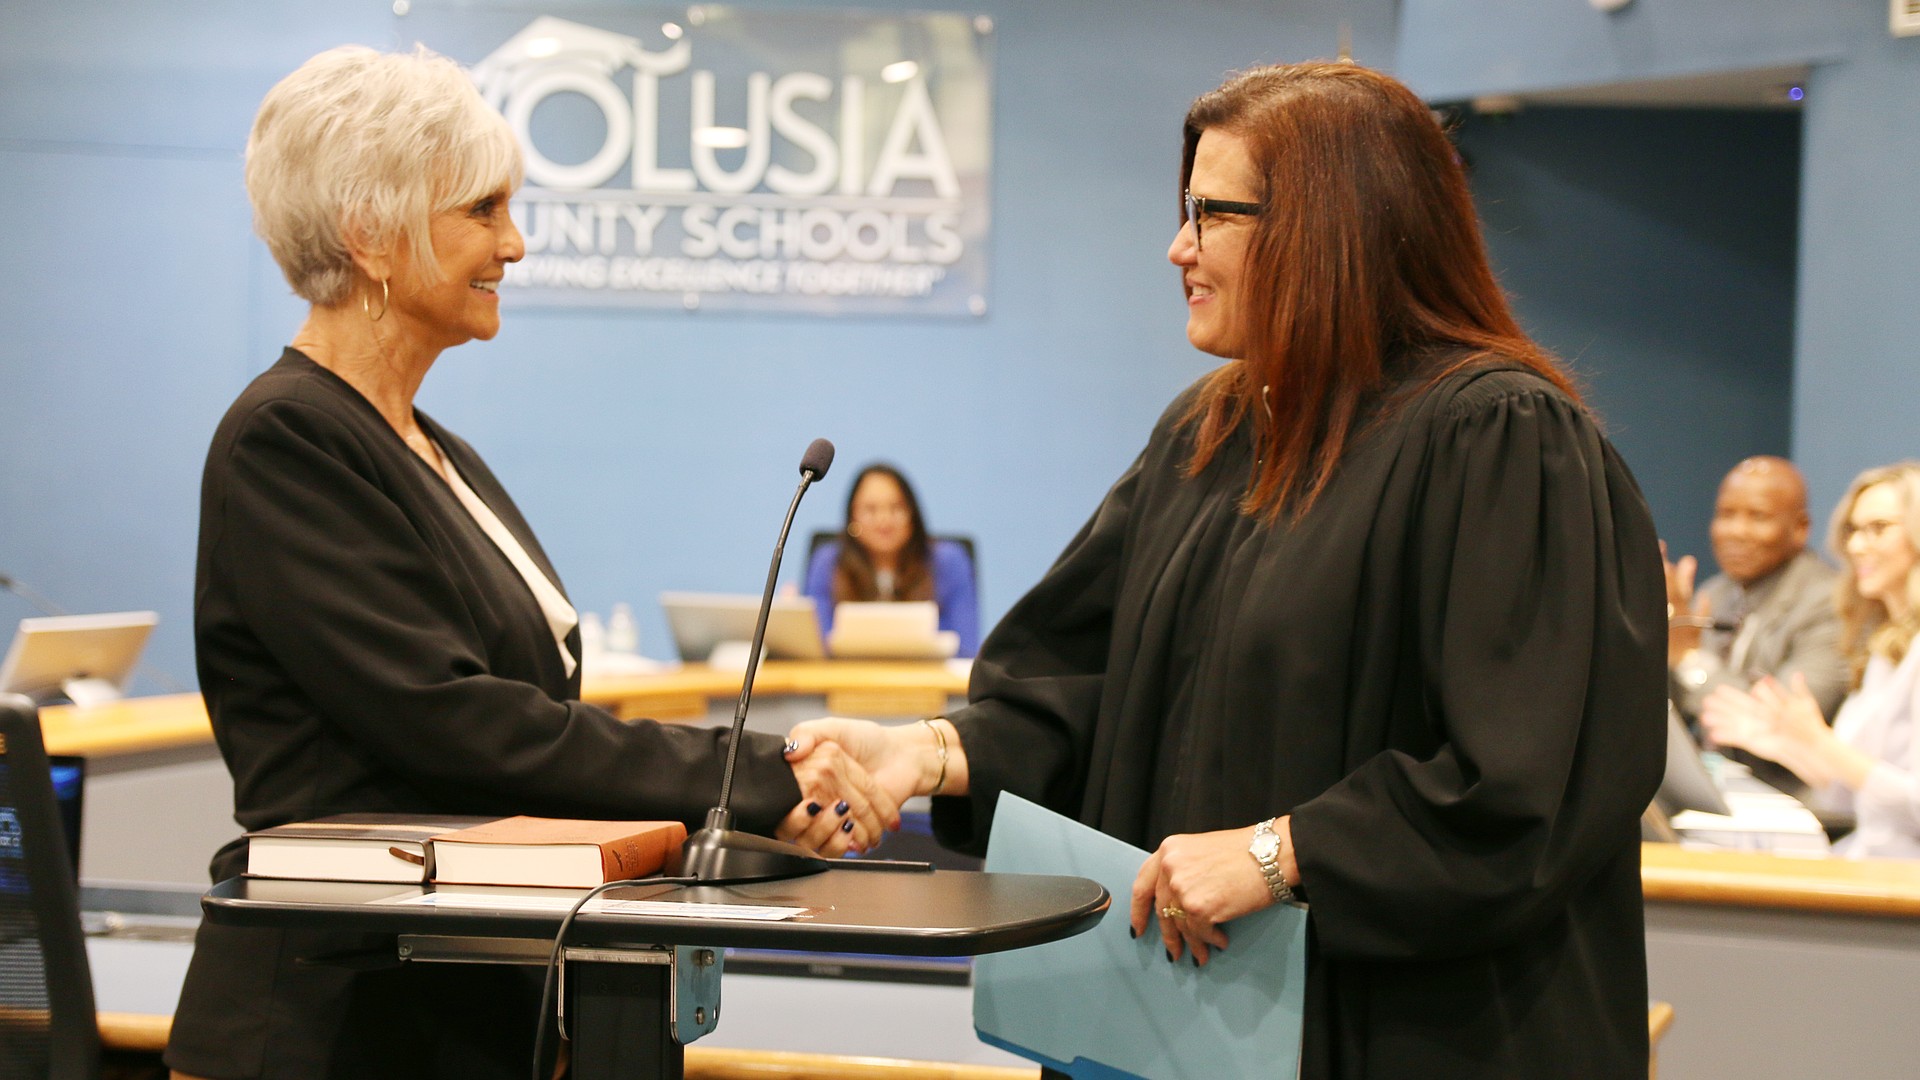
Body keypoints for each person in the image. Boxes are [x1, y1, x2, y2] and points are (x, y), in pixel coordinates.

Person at [788, 62, 1666, 1079]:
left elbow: (1529, 782)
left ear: (1331, 227)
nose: (1178, 248)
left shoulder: (1499, 436)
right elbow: (1093, 687)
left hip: (1412, 1037)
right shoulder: (1211, 431)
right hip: (1185, 1034)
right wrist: (925, 755)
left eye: (1211, 214)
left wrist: (1279, 856)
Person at [165, 46, 894, 1080]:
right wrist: (754, 772)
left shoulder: (433, 451)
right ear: (371, 235)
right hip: (327, 1027)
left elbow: (514, 738)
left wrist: (741, 812)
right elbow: (457, 725)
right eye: (482, 209)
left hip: (460, 1011)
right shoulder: (287, 441)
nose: (516, 241)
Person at [1702, 462, 1920, 859]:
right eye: (1854, 530)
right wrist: (1782, 743)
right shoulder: (1886, 649)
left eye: (1879, 528)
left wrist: (1820, 742)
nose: (1856, 546)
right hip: (1862, 861)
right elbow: (1847, 794)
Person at [1665, 457, 1846, 731]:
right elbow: (1674, 711)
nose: (1736, 532)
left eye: (1758, 516)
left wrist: (1689, 658)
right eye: (1726, 514)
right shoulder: (1715, 592)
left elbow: (1780, 722)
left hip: (1776, 774)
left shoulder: (1830, 601)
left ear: (1800, 528)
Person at [804, 463, 981, 657]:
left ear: (913, 515)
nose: (884, 520)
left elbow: (966, 649)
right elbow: (817, 649)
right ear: (852, 517)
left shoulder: (949, 562)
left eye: (896, 508)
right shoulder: (828, 563)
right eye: (871, 510)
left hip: (927, 683)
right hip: (846, 683)